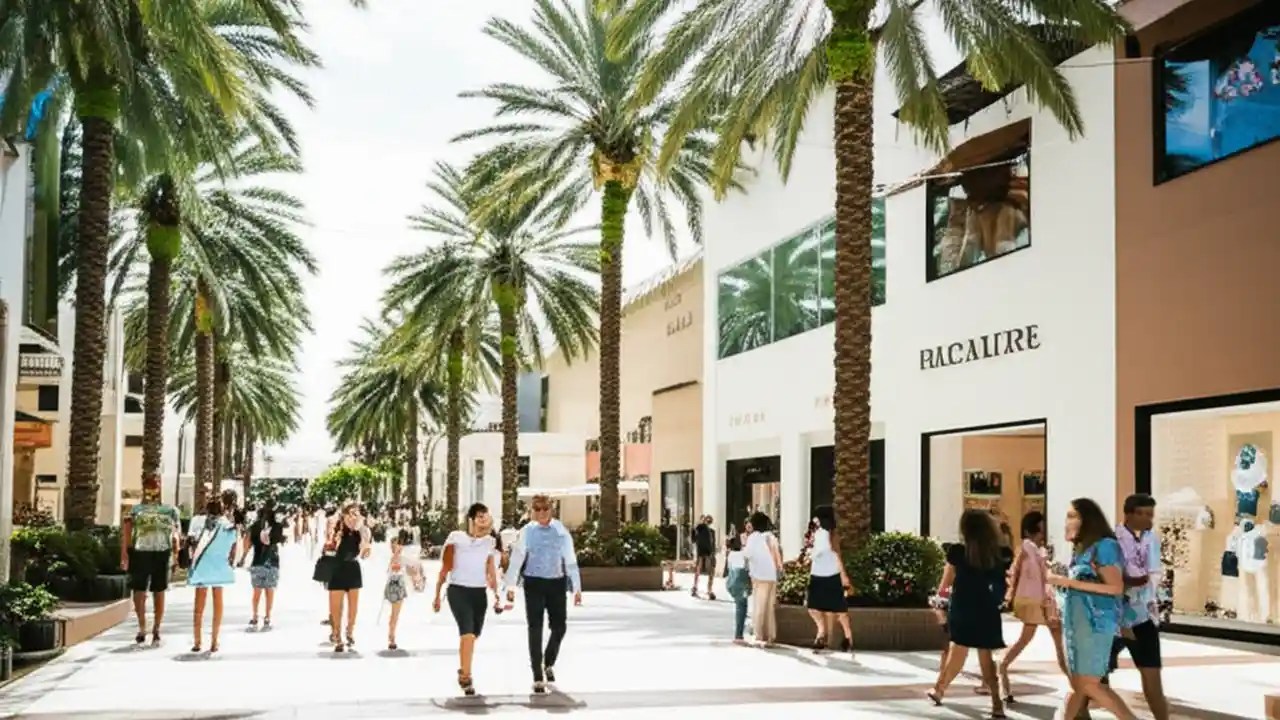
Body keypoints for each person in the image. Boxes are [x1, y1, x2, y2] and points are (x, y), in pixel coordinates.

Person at [1047, 498, 1138, 720]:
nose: (1067, 521)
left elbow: (1115, 587)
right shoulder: (1082, 550)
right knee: (1080, 683)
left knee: (1089, 683)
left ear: (1087, 519)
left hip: (1094, 625)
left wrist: (1067, 582)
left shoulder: (1105, 546)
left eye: (1072, 516)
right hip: (1077, 625)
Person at [928, 509, 1012, 718]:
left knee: (957, 653)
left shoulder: (957, 552)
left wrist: (939, 605)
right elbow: (1001, 585)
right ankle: (996, 704)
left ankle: (939, 690)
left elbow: (945, 584)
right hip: (986, 610)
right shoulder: (997, 555)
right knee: (986, 659)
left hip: (962, 609)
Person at [504, 494, 582, 694]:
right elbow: (517, 559)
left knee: (559, 627)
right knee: (535, 628)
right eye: (536, 509)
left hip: (556, 583)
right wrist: (510, 586)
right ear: (532, 511)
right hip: (534, 583)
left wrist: (577, 587)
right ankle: (537, 674)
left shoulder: (561, 531)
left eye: (544, 508)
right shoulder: (527, 532)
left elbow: (570, 559)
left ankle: (548, 662)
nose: (540, 512)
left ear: (551, 510)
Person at [1106, 494, 1169, 720]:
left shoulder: (1152, 539)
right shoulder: (1113, 539)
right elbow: (1111, 577)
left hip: (1143, 616)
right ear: (1130, 514)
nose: (1149, 519)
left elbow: (1152, 574)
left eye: (1151, 514)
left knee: (1153, 678)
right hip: (1114, 619)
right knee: (1094, 680)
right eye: (1143, 513)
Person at [997, 511, 1067, 702]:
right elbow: (1015, 572)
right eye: (1041, 526)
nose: (1043, 530)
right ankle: (1078, 686)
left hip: (1042, 600)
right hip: (1035, 600)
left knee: (1038, 638)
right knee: (1050, 639)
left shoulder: (1037, 550)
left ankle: (1003, 671)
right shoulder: (1028, 548)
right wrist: (1009, 596)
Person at [433, 504, 500, 695]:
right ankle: (466, 676)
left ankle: (464, 666)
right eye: (479, 517)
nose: (483, 520)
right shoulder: (456, 538)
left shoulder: (490, 542)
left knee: (474, 634)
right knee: (467, 633)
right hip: (458, 591)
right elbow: (445, 567)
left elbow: (491, 570)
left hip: (479, 593)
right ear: (470, 520)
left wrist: (496, 595)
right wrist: (437, 594)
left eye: (485, 517)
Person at [120, 473, 180, 646]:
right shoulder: (135, 511)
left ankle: (157, 628)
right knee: (139, 592)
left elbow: (176, 533)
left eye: (155, 485)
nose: (152, 489)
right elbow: (126, 533)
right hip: (140, 552)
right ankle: (141, 627)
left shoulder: (170, 511)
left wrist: (176, 555)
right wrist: (125, 554)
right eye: (149, 485)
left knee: (158, 590)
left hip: (161, 553)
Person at [187, 497, 240, 653]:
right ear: (222, 509)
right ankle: (214, 641)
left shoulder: (197, 521)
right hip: (219, 569)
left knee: (199, 606)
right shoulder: (227, 525)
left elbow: (190, 541)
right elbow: (232, 544)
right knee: (218, 604)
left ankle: (197, 641)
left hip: (201, 567)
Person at [805, 505, 853, 653]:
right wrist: (843, 575)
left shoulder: (822, 534)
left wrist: (809, 554)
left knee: (813, 606)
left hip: (820, 575)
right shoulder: (831, 534)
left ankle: (821, 633)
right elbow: (837, 556)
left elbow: (818, 552)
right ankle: (847, 637)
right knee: (838, 608)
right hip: (830, 575)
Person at [327, 503, 372, 652]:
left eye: (357, 513)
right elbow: (329, 543)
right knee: (336, 607)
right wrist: (335, 537)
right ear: (345, 514)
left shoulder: (361, 531)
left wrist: (365, 545)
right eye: (352, 513)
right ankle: (337, 636)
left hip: (353, 567)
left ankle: (350, 631)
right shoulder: (336, 526)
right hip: (336, 567)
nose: (355, 516)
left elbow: (365, 554)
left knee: (353, 608)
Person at [743, 512, 783, 647]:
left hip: (759, 576)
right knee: (769, 606)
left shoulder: (753, 537)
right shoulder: (771, 537)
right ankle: (770, 635)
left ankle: (759, 634)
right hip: (771, 575)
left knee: (759, 605)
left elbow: (747, 554)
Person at [245, 500, 285, 629]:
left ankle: (255, 616)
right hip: (272, 561)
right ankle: (267, 616)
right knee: (270, 591)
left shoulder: (255, 526)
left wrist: (243, 557)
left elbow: (248, 542)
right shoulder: (278, 526)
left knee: (256, 592)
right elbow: (280, 540)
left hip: (257, 561)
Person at [385, 528, 424, 651]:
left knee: (395, 613)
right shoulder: (393, 558)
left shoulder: (402, 558)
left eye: (398, 545)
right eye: (394, 545)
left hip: (399, 586)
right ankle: (391, 635)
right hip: (393, 586)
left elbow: (412, 568)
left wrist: (417, 578)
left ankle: (392, 635)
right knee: (394, 613)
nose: (396, 547)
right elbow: (390, 569)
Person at [724, 536, 751, 644]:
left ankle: (739, 633)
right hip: (741, 583)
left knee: (740, 606)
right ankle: (738, 635)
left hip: (732, 584)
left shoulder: (730, 555)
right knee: (741, 607)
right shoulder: (743, 554)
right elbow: (747, 568)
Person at [692, 515, 717, 599]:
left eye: (710, 520)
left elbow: (713, 543)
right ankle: (695, 587)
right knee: (698, 569)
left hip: (709, 551)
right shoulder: (700, 528)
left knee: (711, 570)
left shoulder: (712, 531)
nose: (708, 521)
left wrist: (713, 553)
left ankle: (709, 589)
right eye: (707, 519)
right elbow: (693, 539)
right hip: (700, 551)